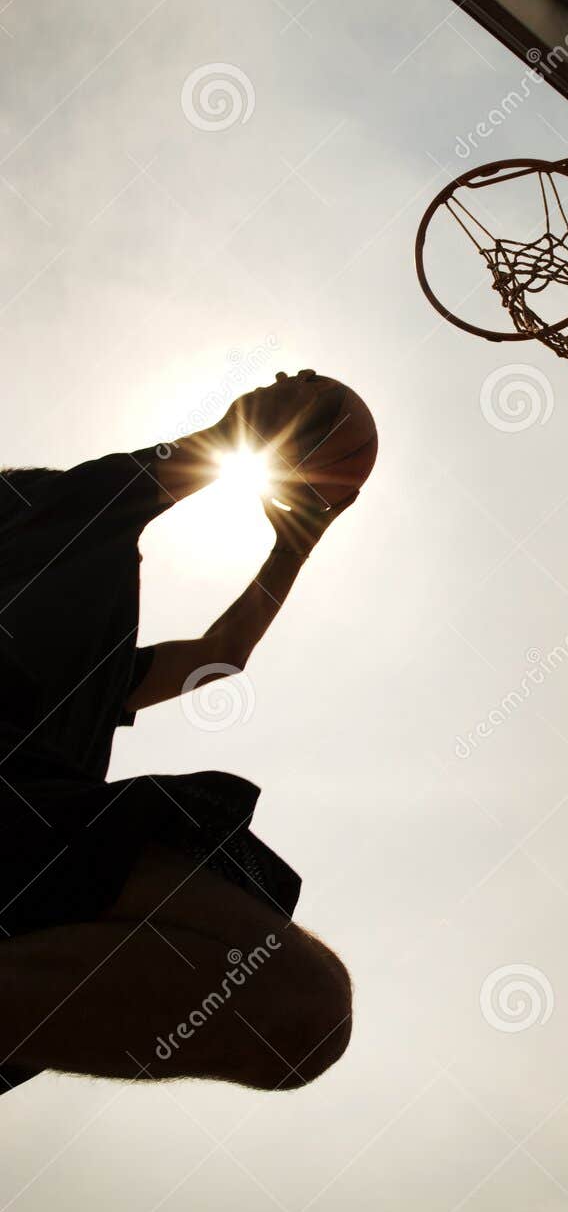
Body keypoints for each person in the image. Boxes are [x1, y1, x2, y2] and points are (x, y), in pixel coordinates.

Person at [0, 370, 356, 1095]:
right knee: (296, 1000)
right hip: (22, 823)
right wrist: (242, 428)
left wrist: (295, 547)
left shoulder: (81, 665)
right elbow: (126, 491)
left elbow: (215, 658)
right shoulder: (45, 511)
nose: (125, 559)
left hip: (29, 843)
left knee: (298, 1010)